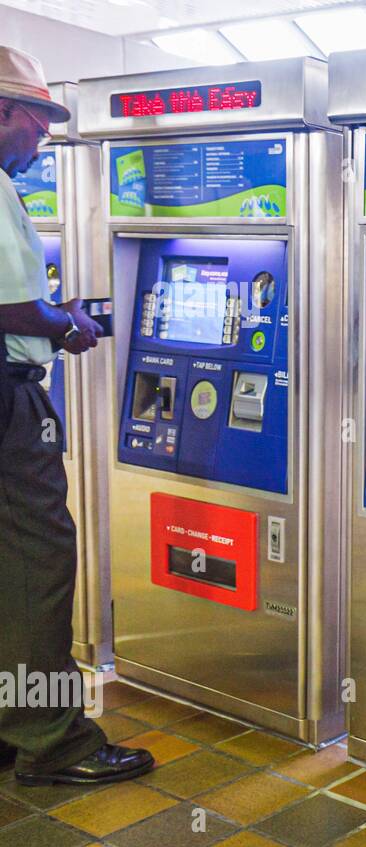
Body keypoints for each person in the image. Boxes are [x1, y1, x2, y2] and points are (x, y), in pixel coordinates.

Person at [0, 46, 153, 785]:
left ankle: (12, 722)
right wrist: (65, 323)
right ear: (3, 112)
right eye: (37, 126)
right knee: (37, 562)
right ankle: (53, 739)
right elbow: (10, 305)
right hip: (9, 400)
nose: (40, 144)